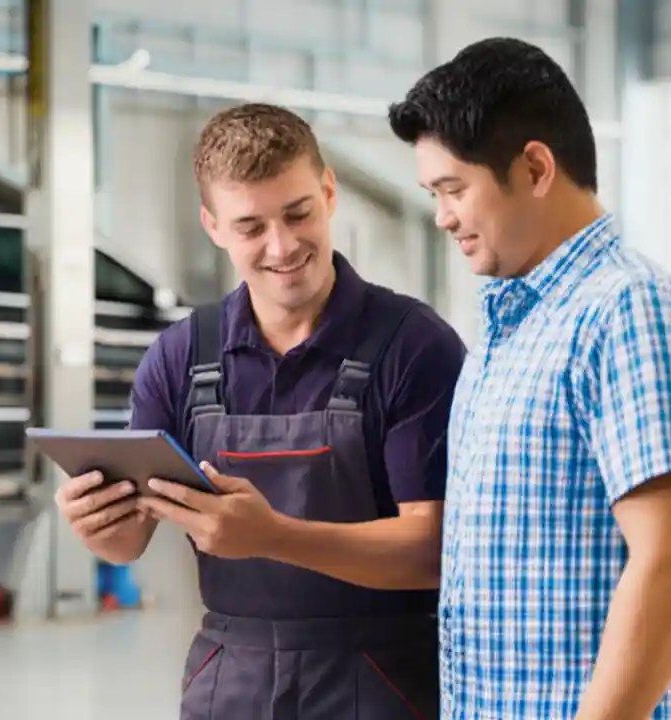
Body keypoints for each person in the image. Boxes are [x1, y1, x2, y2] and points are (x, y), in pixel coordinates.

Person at [55, 102, 466, 719]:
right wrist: (99, 523)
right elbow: (128, 542)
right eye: (250, 227)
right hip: (230, 675)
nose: (282, 245)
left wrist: (272, 536)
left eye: (298, 213)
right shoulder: (180, 357)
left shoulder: (413, 346)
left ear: (328, 193)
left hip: (380, 676)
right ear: (213, 226)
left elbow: (434, 550)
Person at [388, 38, 671, 719]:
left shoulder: (629, 311)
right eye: (434, 194)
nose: (442, 216)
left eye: (454, 188)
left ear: (535, 166)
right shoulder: (509, 331)